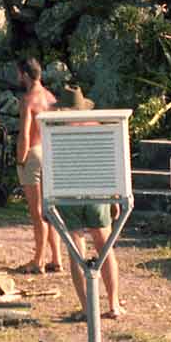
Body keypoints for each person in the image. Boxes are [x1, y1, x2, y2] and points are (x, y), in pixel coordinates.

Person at [54, 84, 125, 320]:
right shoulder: (97, 127)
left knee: (76, 249)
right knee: (105, 246)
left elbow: (52, 167)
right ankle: (113, 304)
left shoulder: (57, 131)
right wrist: (114, 195)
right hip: (96, 190)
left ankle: (86, 307)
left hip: (68, 192)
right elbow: (109, 163)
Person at [15, 57, 63, 275]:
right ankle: (57, 258)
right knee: (50, 210)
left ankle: (38, 260)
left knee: (37, 213)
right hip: (49, 153)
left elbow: (24, 135)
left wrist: (20, 159)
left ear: (24, 74)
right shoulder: (50, 97)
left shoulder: (28, 100)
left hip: (33, 153)